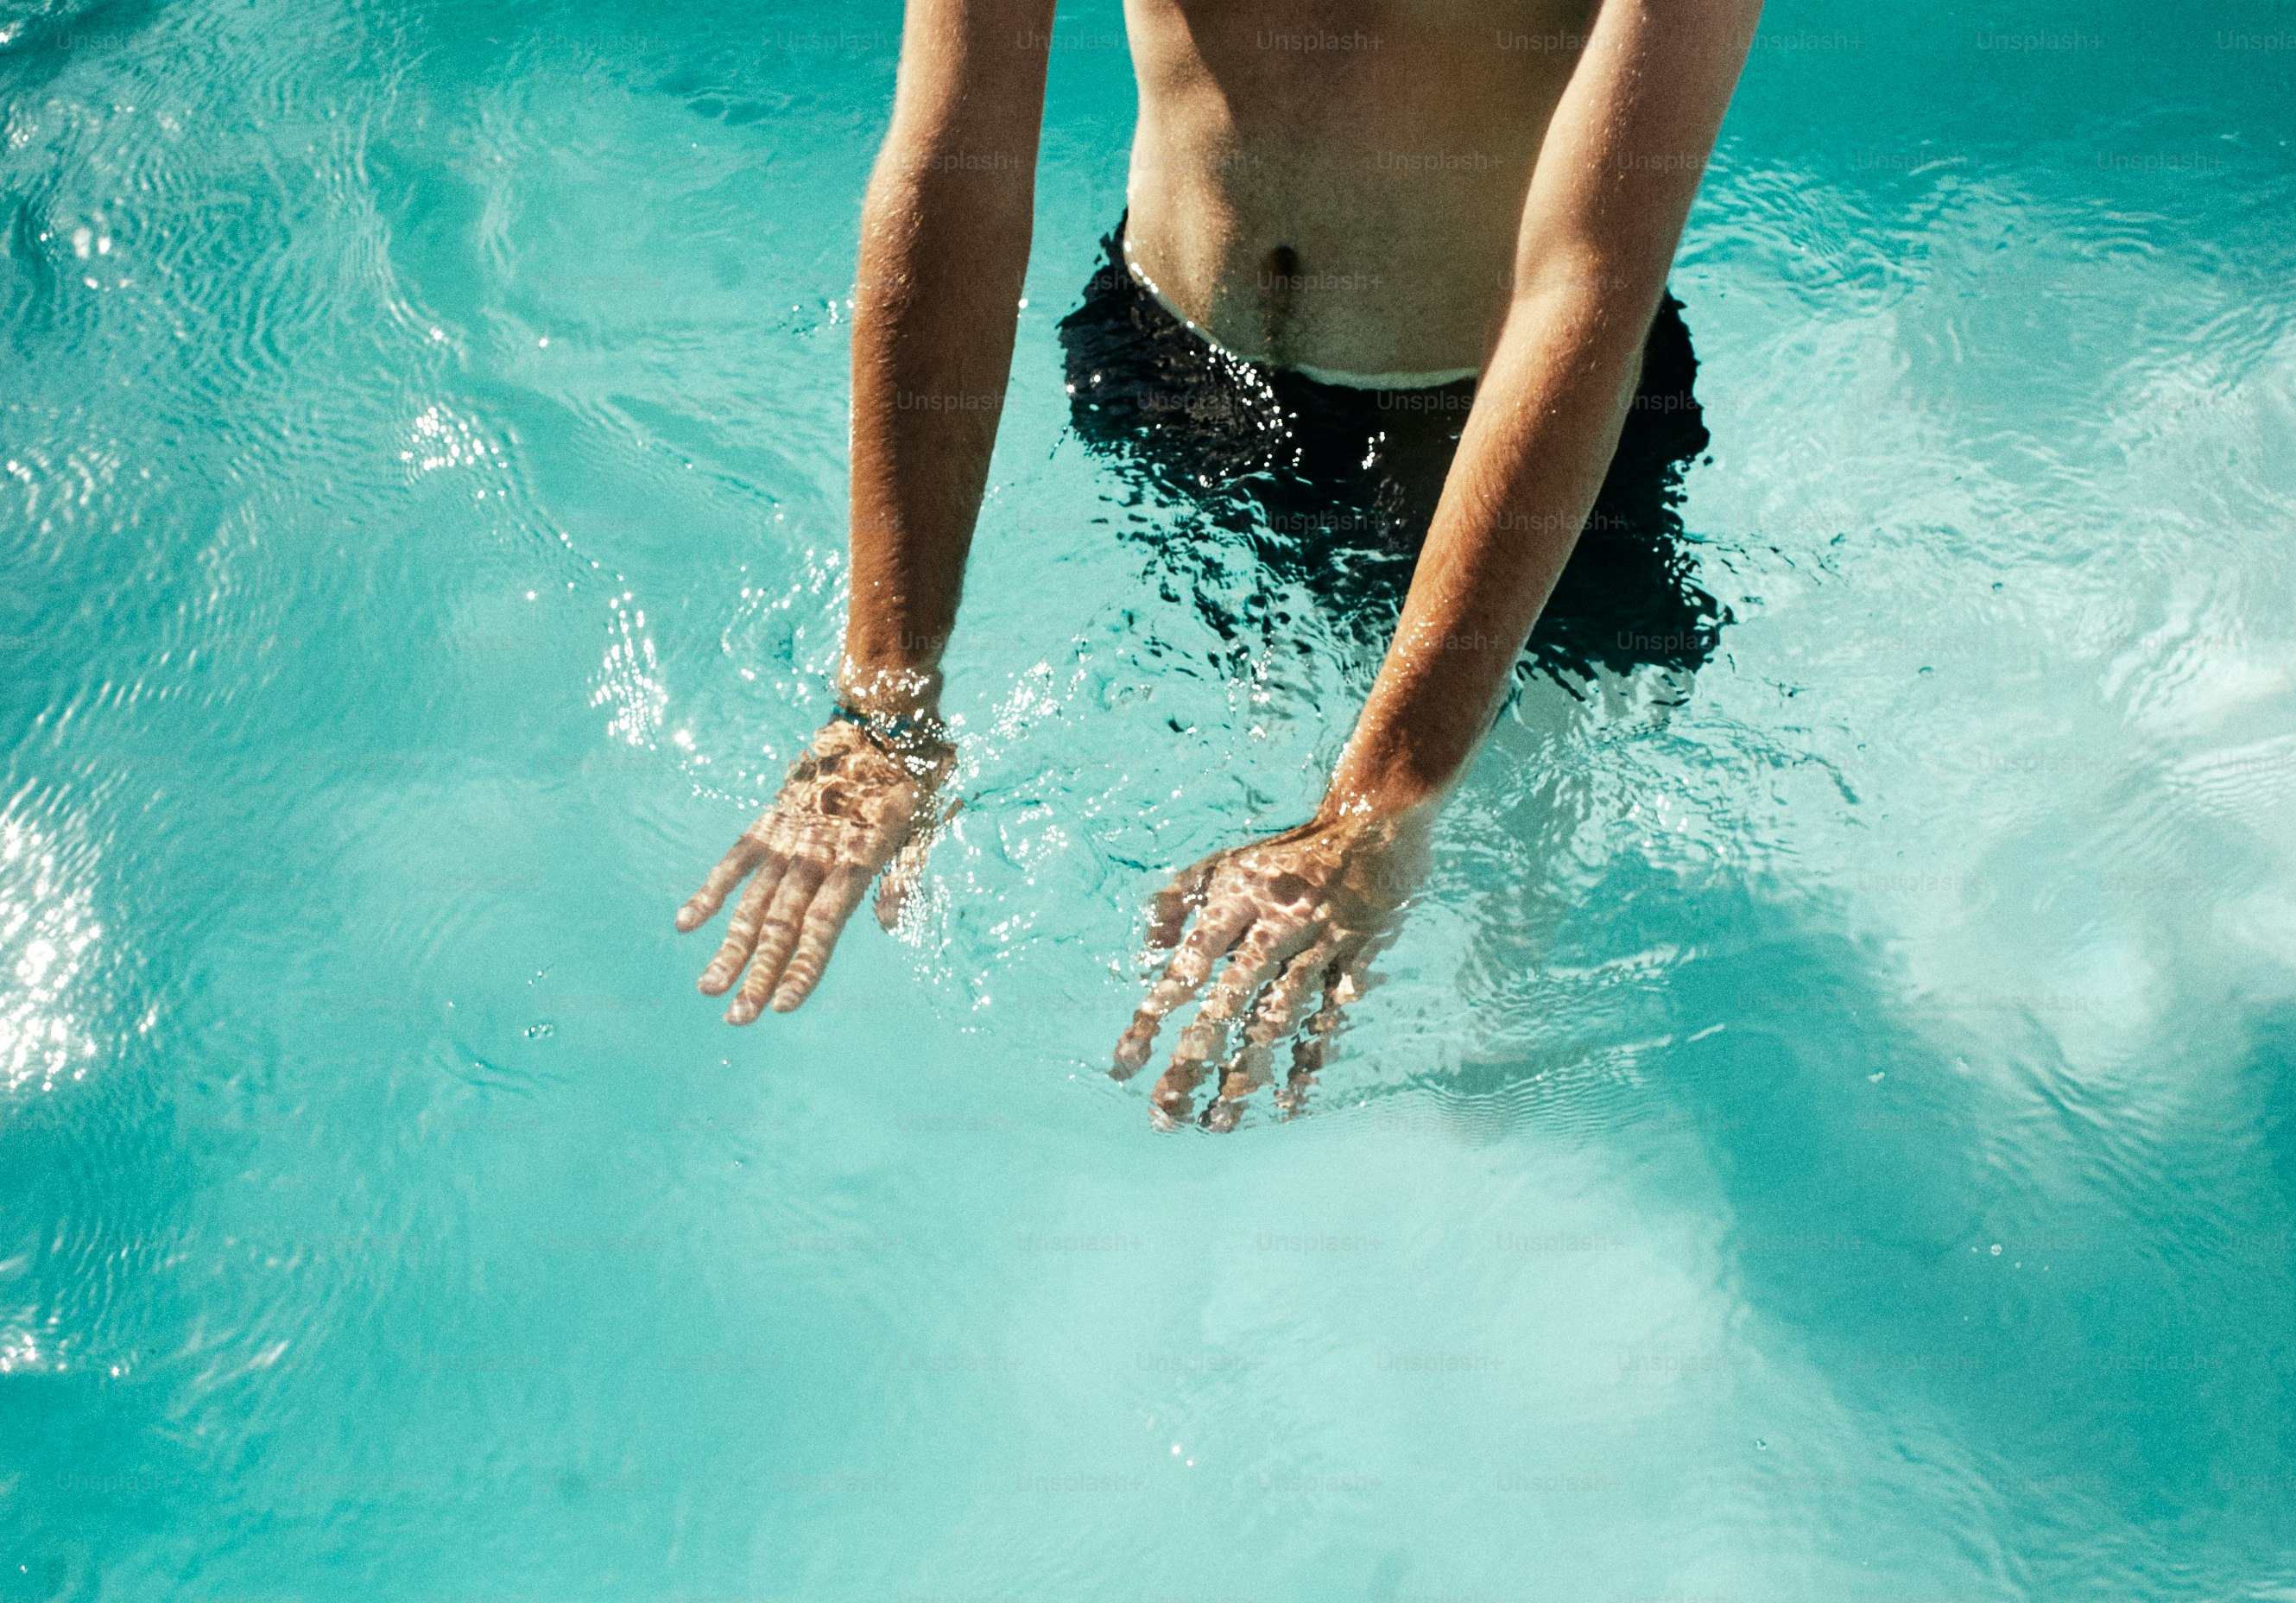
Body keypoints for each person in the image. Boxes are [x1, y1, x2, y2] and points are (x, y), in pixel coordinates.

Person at [675, 0, 1761, 1129]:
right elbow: (956, 159)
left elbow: (1584, 283)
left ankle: (1502, 1104)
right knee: (1245, 748)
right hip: (1180, 376)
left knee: (1508, 884)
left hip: (1501, 419)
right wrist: (886, 703)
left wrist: (1374, 808)